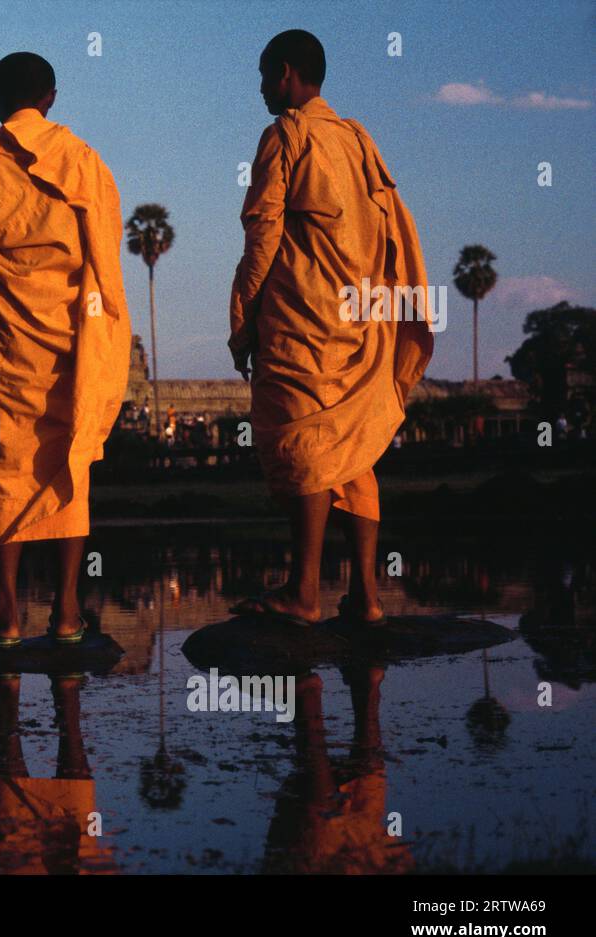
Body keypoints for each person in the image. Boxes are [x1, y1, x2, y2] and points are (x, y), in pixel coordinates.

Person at [227, 30, 434, 626]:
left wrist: (244, 317)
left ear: (288, 74)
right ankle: (367, 597)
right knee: (354, 450)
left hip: (304, 315)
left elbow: (263, 233)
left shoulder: (286, 135)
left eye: (266, 76)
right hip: (364, 317)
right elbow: (392, 230)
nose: (263, 89)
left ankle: (303, 592)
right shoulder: (357, 140)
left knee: (307, 442)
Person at [0, 51, 131, 646]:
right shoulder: (85, 162)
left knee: (3, 468)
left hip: (1, 341)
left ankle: (7, 612)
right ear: (51, 97)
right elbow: (105, 260)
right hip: (74, 337)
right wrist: (104, 332)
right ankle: (68, 612)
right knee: (70, 460)